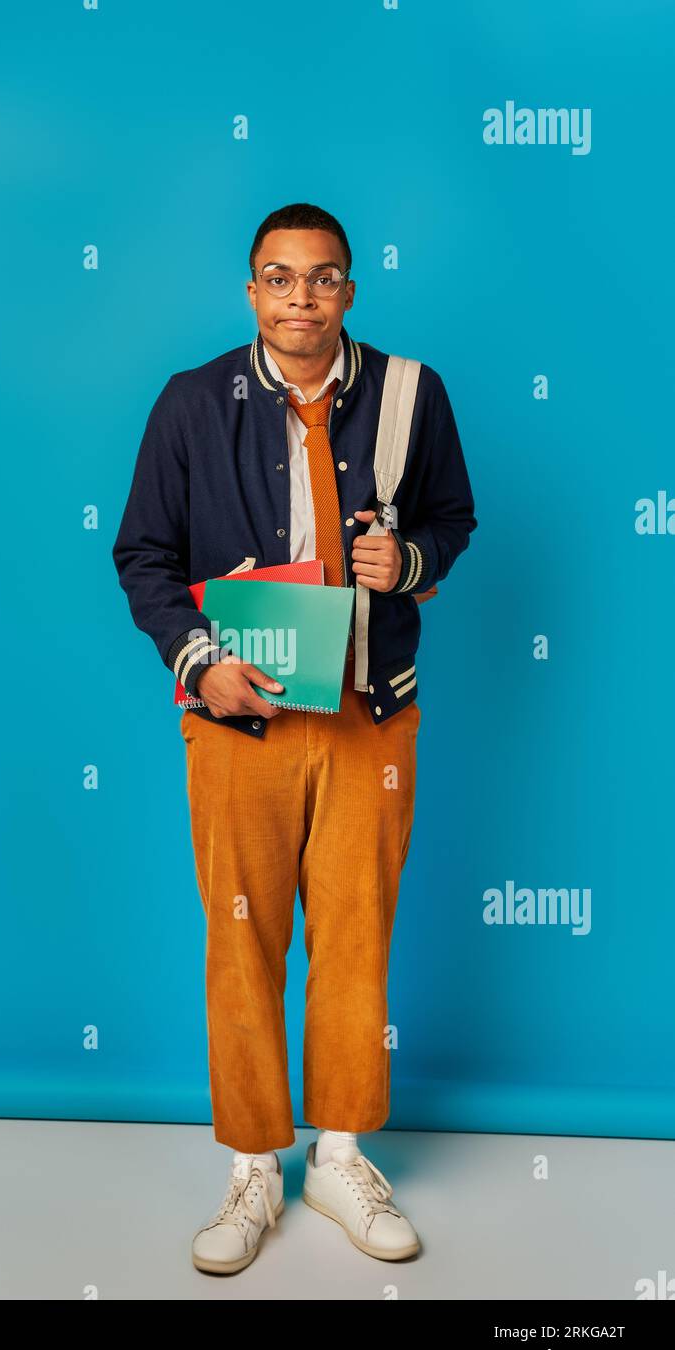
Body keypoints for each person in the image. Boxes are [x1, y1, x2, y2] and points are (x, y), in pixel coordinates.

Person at [112, 202, 477, 1275]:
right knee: (243, 937)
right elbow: (140, 553)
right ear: (251, 291)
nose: (301, 298)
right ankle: (251, 1165)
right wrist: (198, 662)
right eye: (280, 278)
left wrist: (402, 563)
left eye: (322, 278)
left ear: (349, 291)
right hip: (243, 713)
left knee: (355, 933)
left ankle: (340, 1154)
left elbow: (452, 519)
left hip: (370, 707)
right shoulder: (191, 402)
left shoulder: (413, 393)